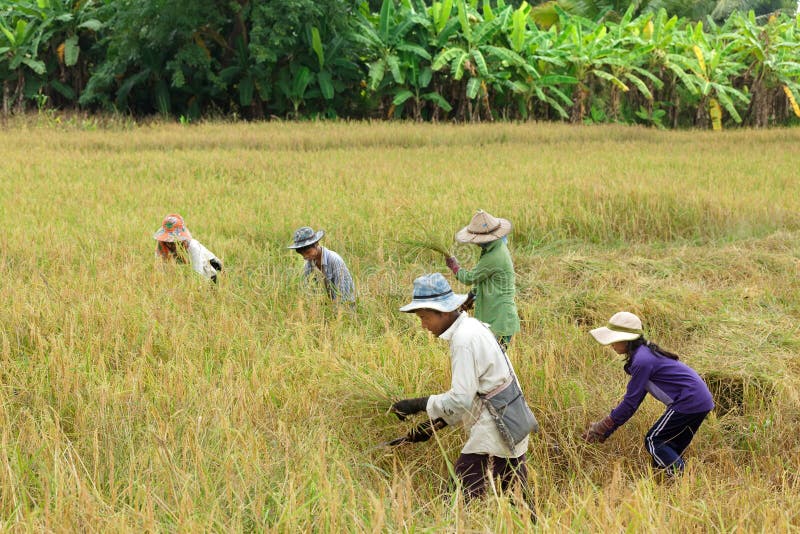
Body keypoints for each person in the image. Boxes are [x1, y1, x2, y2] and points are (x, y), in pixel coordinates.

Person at [391, 273, 530, 502]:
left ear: (444, 312)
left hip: (495, 425)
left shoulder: (463, 340)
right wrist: (433, 425)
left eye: (425, 317)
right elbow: (474, 392)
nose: (423, 325)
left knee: (458, 501)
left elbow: (460, 399)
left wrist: (417, 404)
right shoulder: (472, 326)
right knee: (517, 498)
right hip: (512, 417)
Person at [583, 311, 714, 477]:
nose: (611, 345)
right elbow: (634, 403)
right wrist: (608, 429)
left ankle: (683, 478)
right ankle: (676, 483)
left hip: (688, 401)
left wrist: (603, 426)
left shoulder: (642, 360)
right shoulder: (644, 354)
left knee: (654, 440)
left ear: (627, 340)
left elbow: (630, 403)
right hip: (699, 400)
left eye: (614, 340)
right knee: (667, 447)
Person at [445, 210, 520, 349]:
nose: (476, 243)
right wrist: (471, 296)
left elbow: (470, 278)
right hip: (496, 314)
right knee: (489, 357)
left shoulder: (494, 256)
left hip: (500, 317)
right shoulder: (495, 248)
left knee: (494, 357)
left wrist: (455, 268)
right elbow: (485, 281)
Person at [288, 226, 355, 303]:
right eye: (302, 254)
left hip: (346, 304)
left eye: (308, 252)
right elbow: (310, 290)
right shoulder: (308, 264)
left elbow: (343, 293)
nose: (305, 257)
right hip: (328, 304)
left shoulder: (334, 260)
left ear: (316, 244)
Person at [153, 213, 222, 282]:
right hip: (184, 269)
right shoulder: (161, 245)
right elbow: (160, 270)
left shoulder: (193, 247)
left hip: (208, 267)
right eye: (168, 240)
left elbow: (197, 274)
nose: (170, 244)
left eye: (174, 241)